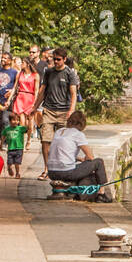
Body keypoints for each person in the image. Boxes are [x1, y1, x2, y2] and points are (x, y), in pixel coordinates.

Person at [47, 111, 111, 200]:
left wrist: (79, 159)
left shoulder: (59, 131)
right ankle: (101, 193)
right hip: (65, 172)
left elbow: (61, 153)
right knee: (99, 162)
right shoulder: (78, 134)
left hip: (51, 172)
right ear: (82, 123)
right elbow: (90, 157)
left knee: (81, 165)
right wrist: (86, 159)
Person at [37, 46, 79, 180]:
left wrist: (71, 111)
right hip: (49, 110)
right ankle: (47, 169)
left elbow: (73, 94)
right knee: (45, 140)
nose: (56, 62)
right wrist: (34, 107)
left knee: (62, 142)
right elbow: (42, 91)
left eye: (58, 59)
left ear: (64, 59)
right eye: (54, 59)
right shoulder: (48, 72)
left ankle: (60, 169)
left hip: (63, 111)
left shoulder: (69, 73)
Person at [11, 56, 39, 148]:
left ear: (27, 64)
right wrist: (9, 99)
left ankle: (29, 140)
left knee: (30, 123)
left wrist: (35, 104)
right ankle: (21, 142)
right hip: (20, 97)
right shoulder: (19, 74)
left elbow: (36, 90)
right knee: (22, 122)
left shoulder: (35, 75)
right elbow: (15, 87)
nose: (21, 64)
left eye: (23, 62)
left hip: (30, 98)